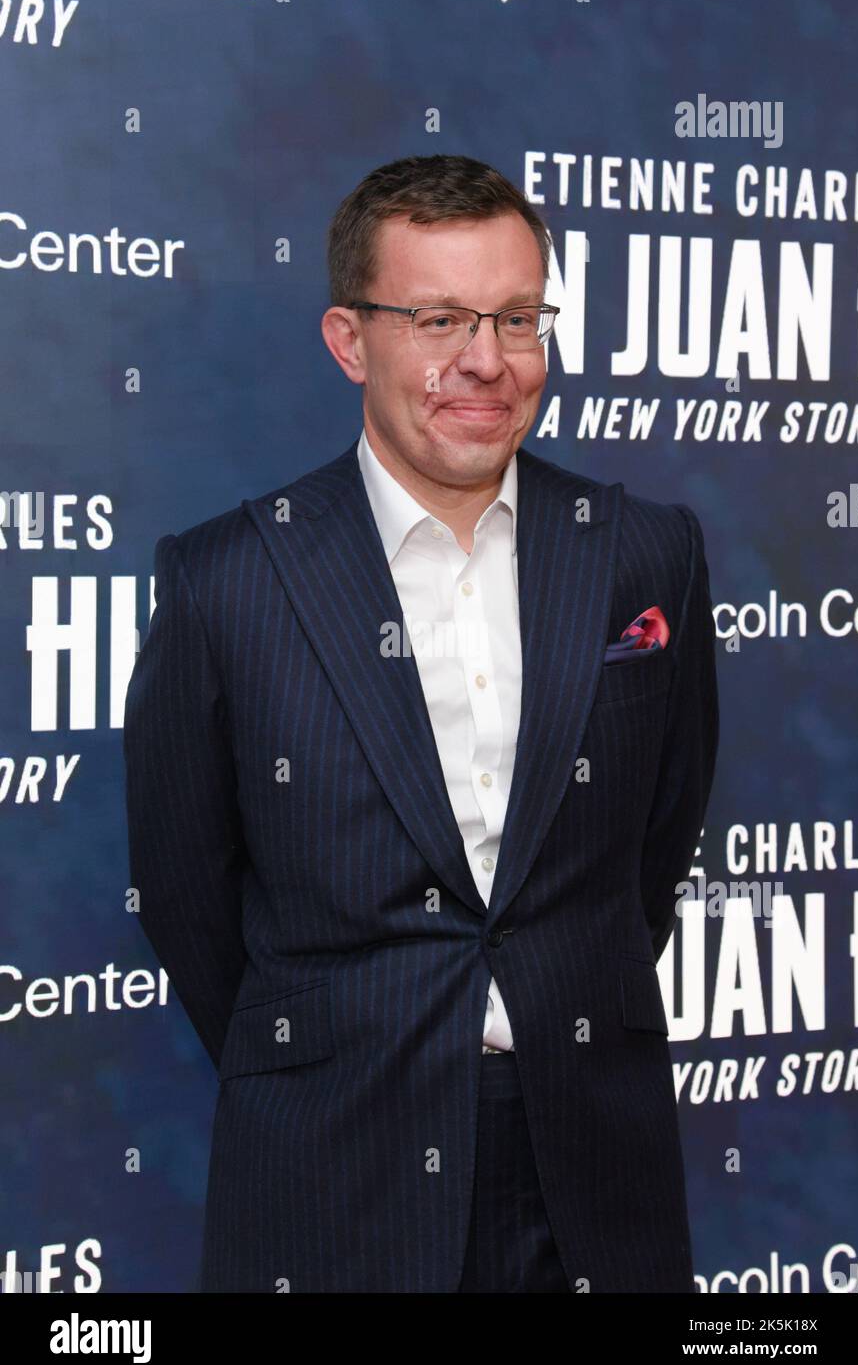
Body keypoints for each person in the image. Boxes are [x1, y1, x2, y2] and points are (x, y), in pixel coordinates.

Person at [123, 153, 719, 1293]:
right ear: (351, 341)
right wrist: (333, 1050)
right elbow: (185, 891)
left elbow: (656, 843)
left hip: (596, 1169)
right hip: (336, 1177)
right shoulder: (226, 582)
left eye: (516, 317)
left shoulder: (647, 552)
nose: (486, 361)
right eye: (439, 317)